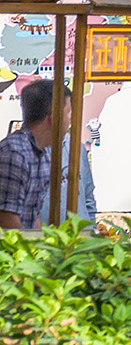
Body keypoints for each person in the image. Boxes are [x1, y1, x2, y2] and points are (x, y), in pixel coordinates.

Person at [0, 77, 79, 230]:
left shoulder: (44, 152)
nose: (70, 120)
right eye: (68, 112)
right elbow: (6, 217)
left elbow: (32, 213)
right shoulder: (14, 153)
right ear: (53, 117)